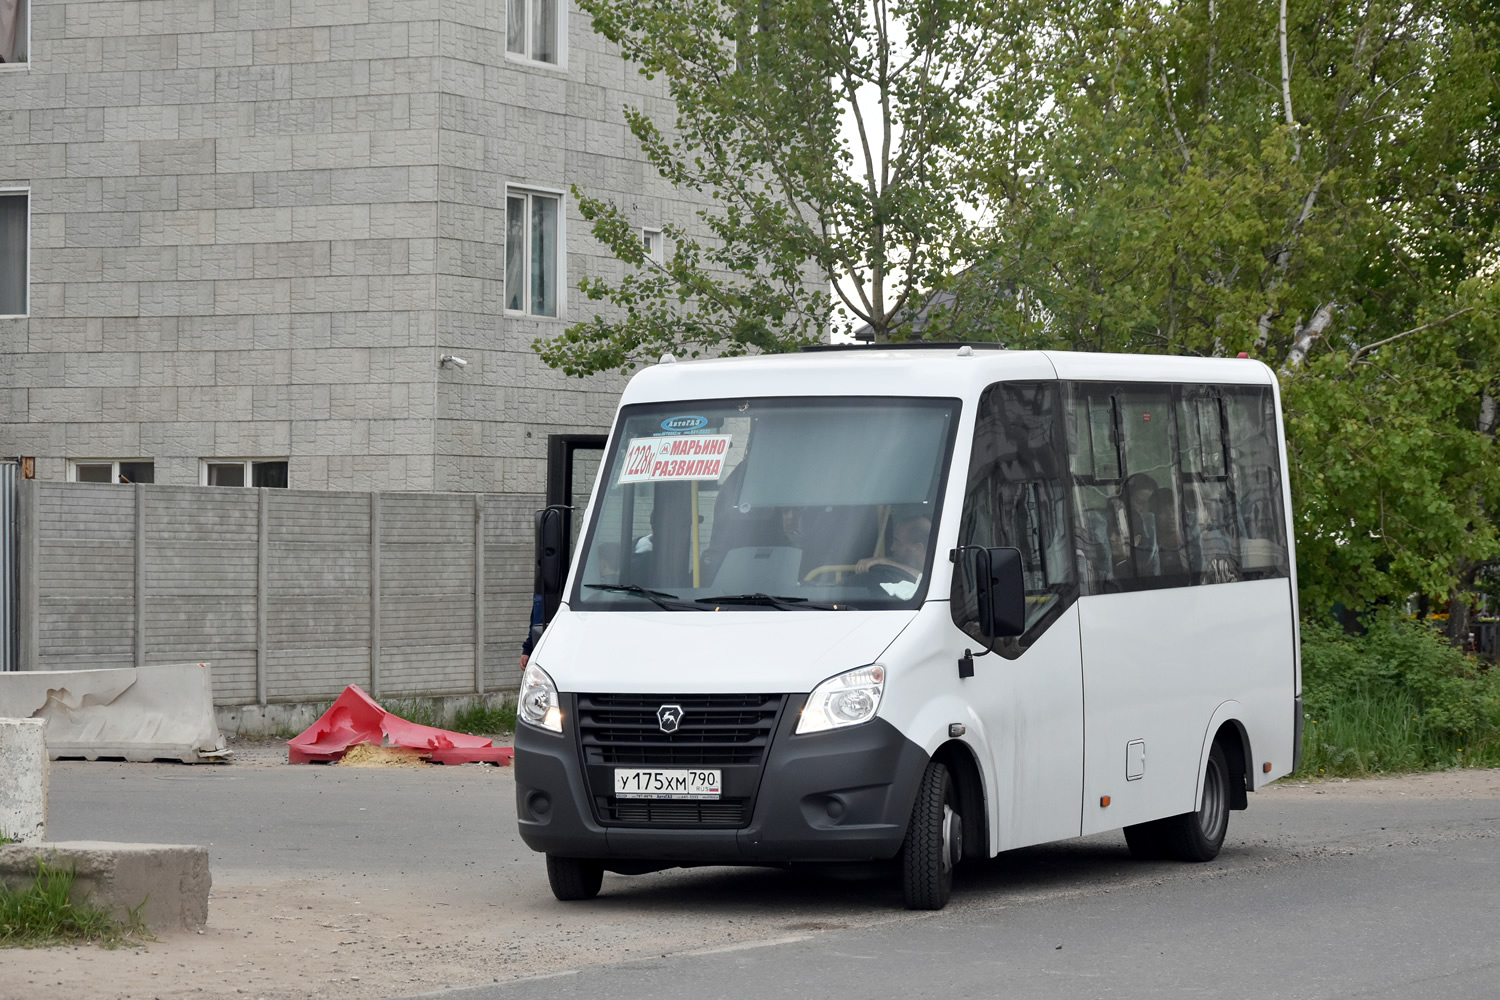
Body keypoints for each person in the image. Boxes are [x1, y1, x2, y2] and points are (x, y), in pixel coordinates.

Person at [855, 515, 931, 594]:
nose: (892, 548)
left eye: (898, 543)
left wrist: (884, 562)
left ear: (917, 548)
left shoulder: (940, 568)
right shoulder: (899, 561)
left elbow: (925, 581)